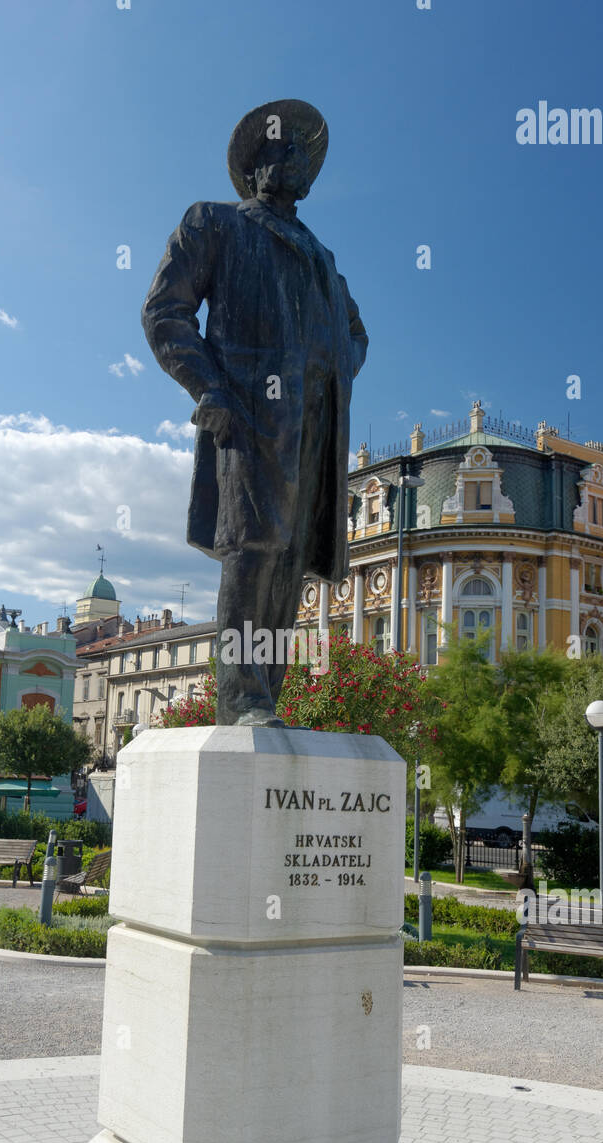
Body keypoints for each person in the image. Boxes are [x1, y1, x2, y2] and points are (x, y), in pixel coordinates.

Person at [142, 100, 368, 725]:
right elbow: (165, 313)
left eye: (303, 156)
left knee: (292, 559)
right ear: (256, 166)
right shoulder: (215, 223)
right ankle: (242, 695)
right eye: (282, 151)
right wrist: (210, 391)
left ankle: (269, 691)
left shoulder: (324, 259)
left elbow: (358, 334)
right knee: (253, 547)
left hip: (316, 424)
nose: (294, 163)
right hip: (249, 412)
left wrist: (330, 372)